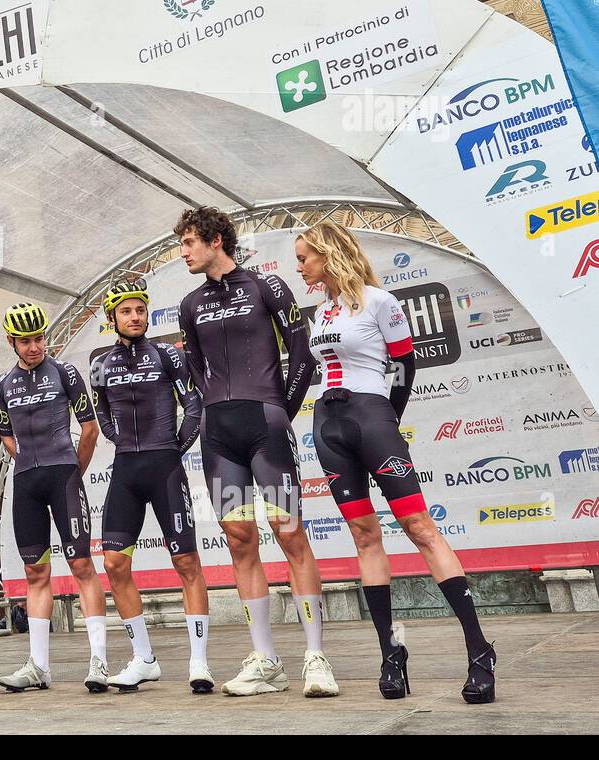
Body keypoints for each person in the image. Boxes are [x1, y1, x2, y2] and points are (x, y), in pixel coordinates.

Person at [295, 220, 495, 703]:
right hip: (329, 424)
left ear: (328, 254)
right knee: (365, 536)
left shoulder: (380, 301)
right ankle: (391, 653)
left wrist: (385, 417)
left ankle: (479, 650)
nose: (299, 266)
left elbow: (406, 364)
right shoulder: (320, 312)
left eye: (304, 257)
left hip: (372, 418)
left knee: (421, 528)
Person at [176, 207, 338, 698]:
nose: (183, 252)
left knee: (289, 534)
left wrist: (279, 411)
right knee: (240, 540)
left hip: (266, 426)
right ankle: (266, 659)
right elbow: (196, 370)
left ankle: (315, 657)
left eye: (188, 242)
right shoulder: (189, 304)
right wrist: (213, 413)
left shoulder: (267, 287)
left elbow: (303, 354)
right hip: (220, 437)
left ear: (215, 240)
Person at [89, 281, 211, 692]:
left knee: (187, 563)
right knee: (114, 564)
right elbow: (102, 409)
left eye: (140, 310)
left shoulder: (167, 355)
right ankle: (145, 659)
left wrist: (178, 444)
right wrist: (115, 436)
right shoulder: (101, 364)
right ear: (113, 319)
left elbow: (192, 402)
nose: (135, 317)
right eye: (126, 311)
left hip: (165, 466)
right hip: (126, 467)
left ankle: (199, 662)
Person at [0, 303, 111, 693]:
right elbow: (6, 434)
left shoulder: (65, 373)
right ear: (12, 341)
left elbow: (89, 428)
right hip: (26, 481)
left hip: (63, 476)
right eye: (26, 341)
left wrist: (74, 469)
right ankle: (38, 665)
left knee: (81, 565)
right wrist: (25, 460)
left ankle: (99, 661)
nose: (34, 346)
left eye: (39, 338)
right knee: (34, 573)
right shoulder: (2, 384)